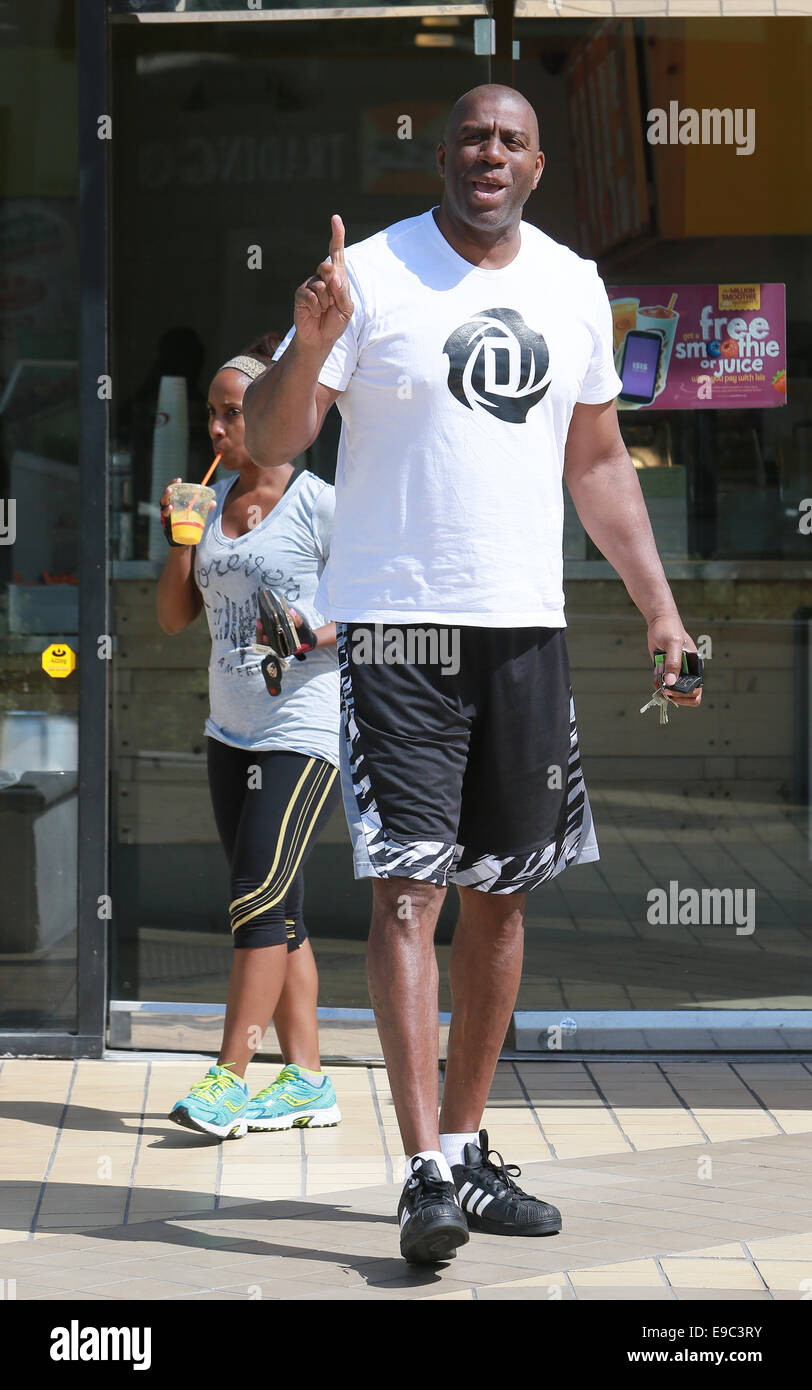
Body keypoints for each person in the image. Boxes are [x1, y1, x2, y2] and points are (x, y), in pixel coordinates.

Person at [242, 85, 702, 1263]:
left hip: (522, 626)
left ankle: (466, 1145)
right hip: (396, 626)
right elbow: (275, 439)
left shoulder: (569, 283)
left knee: (503, 892)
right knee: (408, 890)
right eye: (467, 138)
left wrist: (658, 609)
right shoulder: (374, 276)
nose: (485, 154)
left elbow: (595, 463)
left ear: (536, 166)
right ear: (440, 156)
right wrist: (308, 327)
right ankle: (420, 1172)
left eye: (508, 141)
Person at [158, 338, 342, 1140]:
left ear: (271, 413)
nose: (220, 427)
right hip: (229, 729)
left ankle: (230, 1075)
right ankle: (307, 1081)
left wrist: (311, 632)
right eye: (212, 412)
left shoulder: (321, 503)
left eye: (234, 410)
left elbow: (381, 608)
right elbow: (171, 618)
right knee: (283, 910)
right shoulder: (211, 500)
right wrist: (181, 538)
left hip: (303, 728)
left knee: (257, 901)